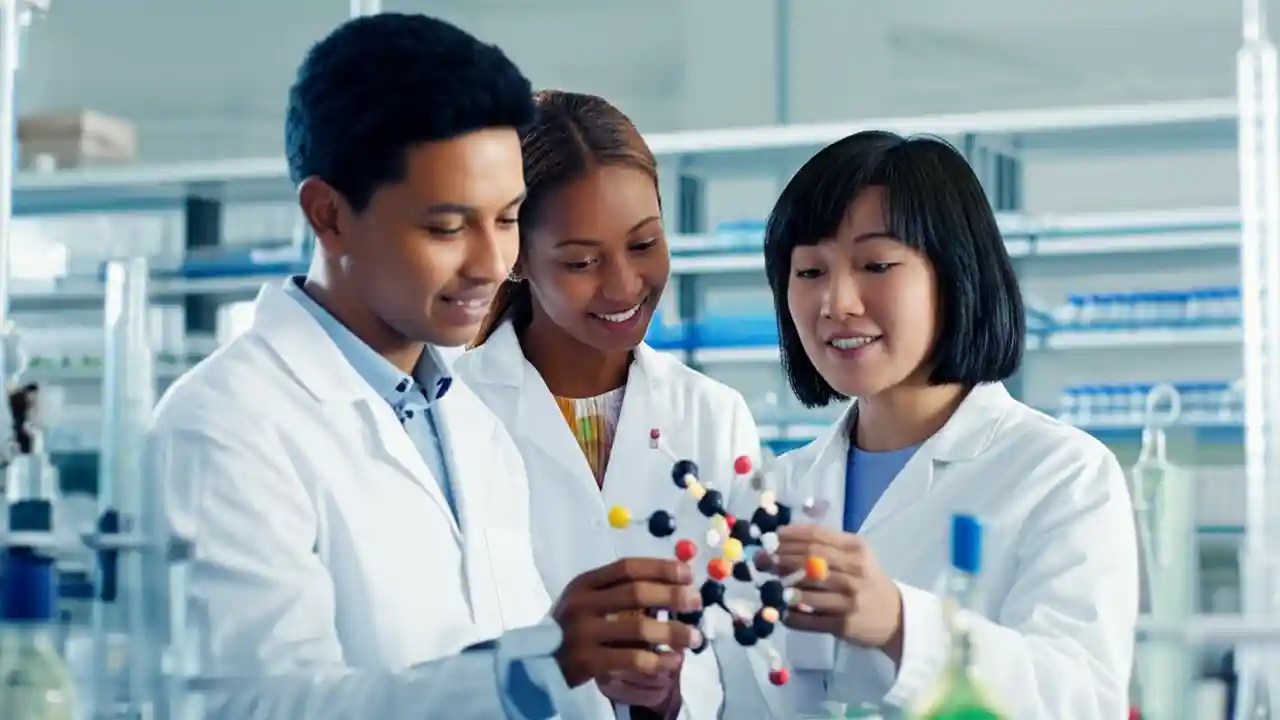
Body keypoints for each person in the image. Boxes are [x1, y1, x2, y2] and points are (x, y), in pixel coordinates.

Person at [143, 15, 703, 720]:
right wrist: (534, 667)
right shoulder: (225, 426)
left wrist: (622, 693)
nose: (492, 264)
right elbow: (253, 706)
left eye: (506, 220)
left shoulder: (466, 419)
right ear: (329, 215)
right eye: (447, 227)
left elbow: (510, 680)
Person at [755, 130, 1138, 718]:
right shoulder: (778, 488)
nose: (836, 302)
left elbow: (1081, 697)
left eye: (876, 264)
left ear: (955, 275)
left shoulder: (1063, 474)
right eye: (809, 271)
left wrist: (902, 625)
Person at [455, 91, 786, 719]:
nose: (623, 285)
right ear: (516, 256)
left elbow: (746, 654)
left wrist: (670, 701)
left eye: (643, 244)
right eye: (582, 260)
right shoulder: (454, 414)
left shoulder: (711, 415)